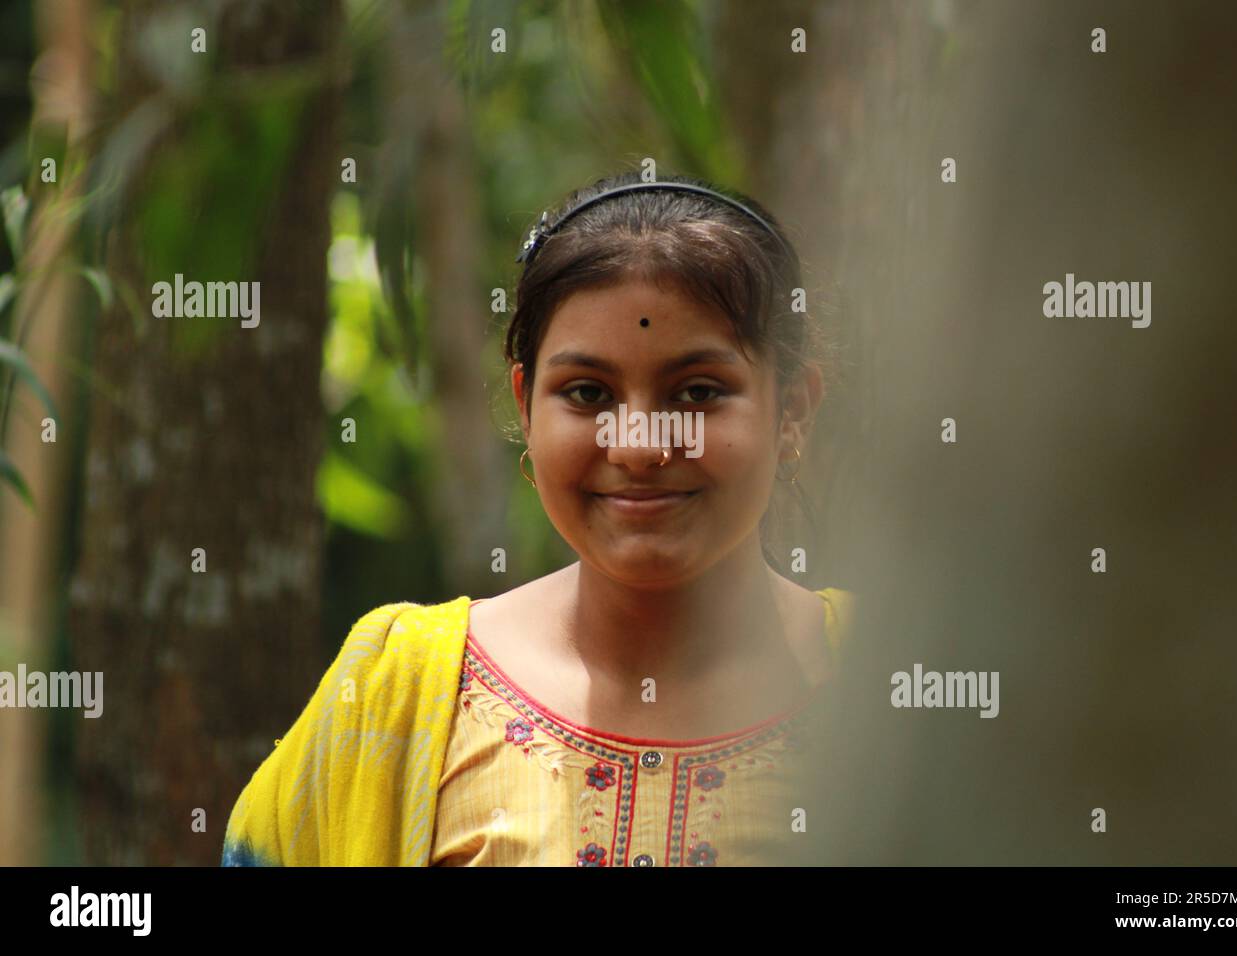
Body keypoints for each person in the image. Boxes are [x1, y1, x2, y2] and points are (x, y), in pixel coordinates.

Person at [221, 170, 854, 867]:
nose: (639, 446)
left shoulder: (886, 687)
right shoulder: (394, 692)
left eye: (698, 392)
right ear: (526, 406)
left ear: (792, 410)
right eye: (587, 393)